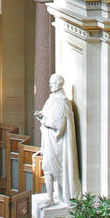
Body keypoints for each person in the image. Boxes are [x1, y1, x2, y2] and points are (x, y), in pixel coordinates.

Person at [33, 75, 80, 208]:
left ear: (59, 84)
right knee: (47, 168)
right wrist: (41, 116)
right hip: (49, 140)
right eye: (50, 83)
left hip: (57, 143)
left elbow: (58, 124)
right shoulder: (52, 98)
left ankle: (52, 197)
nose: (50, 85)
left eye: (53, 83)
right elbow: (48, 115)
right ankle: (50, 197)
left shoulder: (61, 101)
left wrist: (43, 120)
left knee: (50, 167)